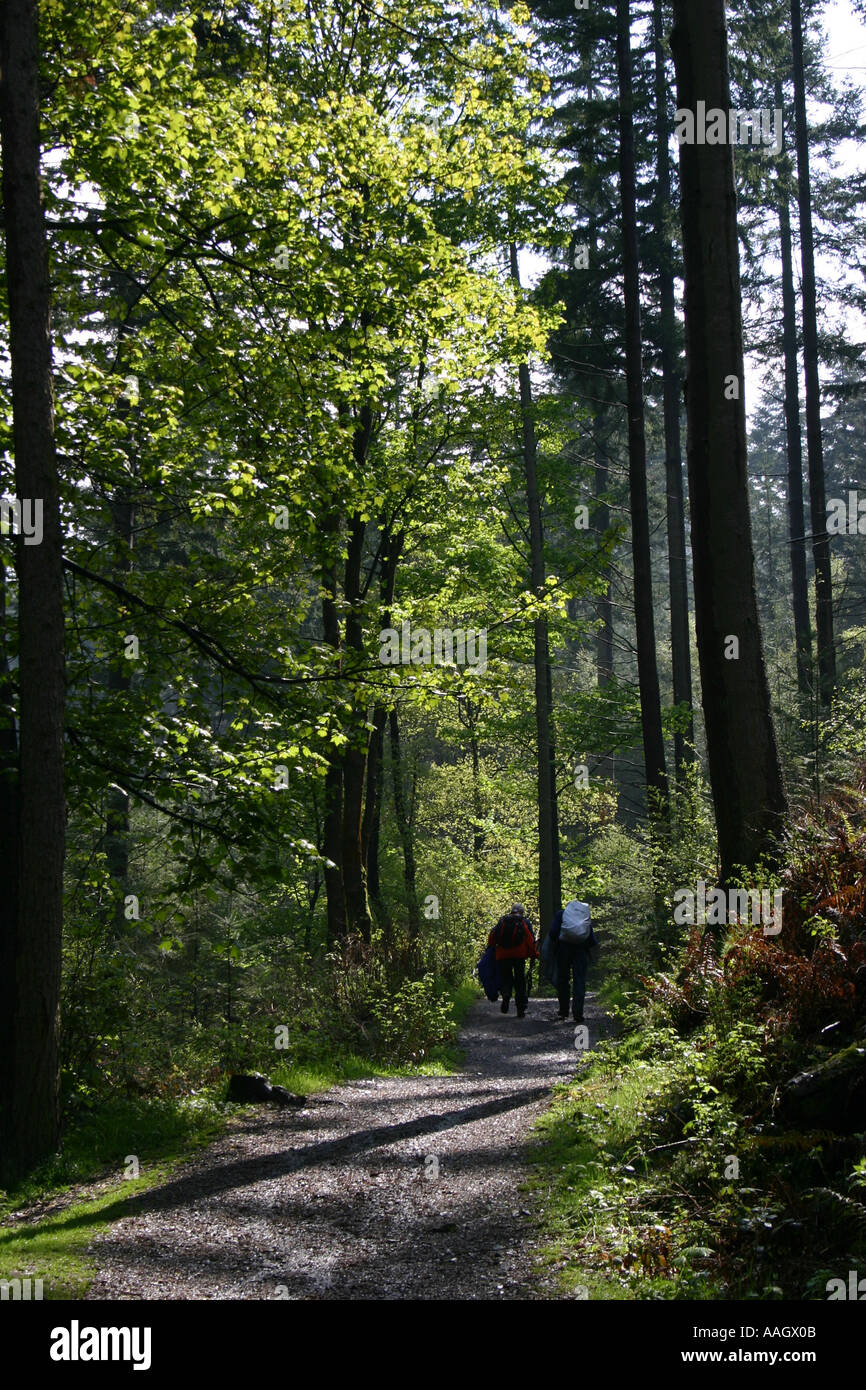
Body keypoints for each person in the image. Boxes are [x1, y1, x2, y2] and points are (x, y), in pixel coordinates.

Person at [546, 898, 597, 1023]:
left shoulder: (561, 914)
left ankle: (563, 1011)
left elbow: (553, 933)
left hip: (563, 950)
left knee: (563, 980)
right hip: (581, 951)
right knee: (579, 981)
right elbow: (591, 939)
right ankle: (578, 1013)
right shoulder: (584, 917)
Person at [488, 903, 539, 1019]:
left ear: (512, 911)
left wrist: (491, 949)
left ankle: (506, 994)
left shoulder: (503, 921)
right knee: (520, 980)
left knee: (506, 977)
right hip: (519, 955)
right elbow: (530, 940)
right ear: (522, 912)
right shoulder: (524, 922)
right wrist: (534, 954)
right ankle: (520, 1008)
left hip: (502, 955)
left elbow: (492, 937)